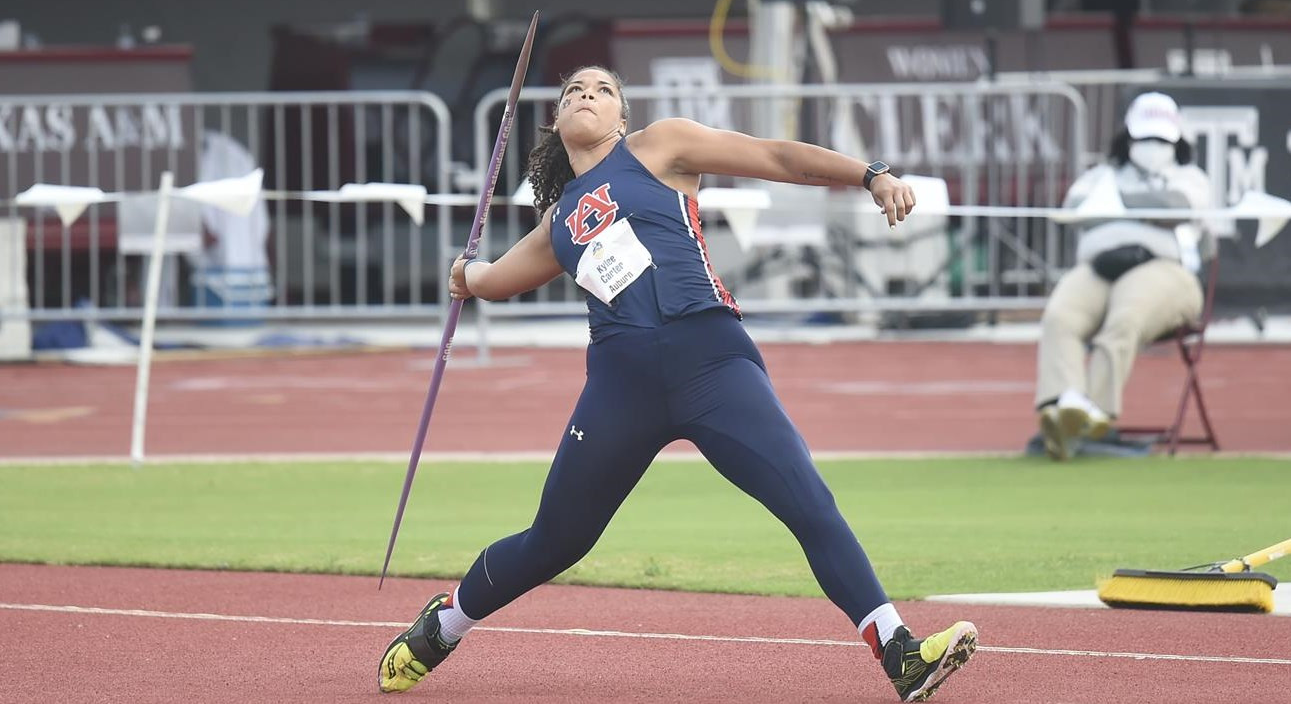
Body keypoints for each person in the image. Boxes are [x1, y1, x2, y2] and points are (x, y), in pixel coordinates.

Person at [377, 66, 977, 702]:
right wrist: (465, 273)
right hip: (620, 387)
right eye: (574, 91)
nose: (587, 96)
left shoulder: (660, 146)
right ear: (557, 122)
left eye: (603, 90)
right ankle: (444, 625)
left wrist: (871, 173)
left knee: (807, 501)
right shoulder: (559, 221)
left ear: (622, 118)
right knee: (556, 541)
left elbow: (775, 156)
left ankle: (899, 651)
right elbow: (496, 280)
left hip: (711, 361)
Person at [1034, 91, 1213, 460]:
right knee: (1061, 314)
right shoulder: (1102, 175)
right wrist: (1138, 209)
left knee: (1126, 315)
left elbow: (1177, 207)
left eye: (1161, 139)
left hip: (1166, 271)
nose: (1152, 146)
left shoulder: (1191, 177)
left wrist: (1117, 204)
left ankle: (1095, 416)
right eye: (1144, 137)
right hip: (1102, 267)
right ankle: (1062, 407)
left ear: (1177, 140)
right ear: (1127, 137)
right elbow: (1074, 207)